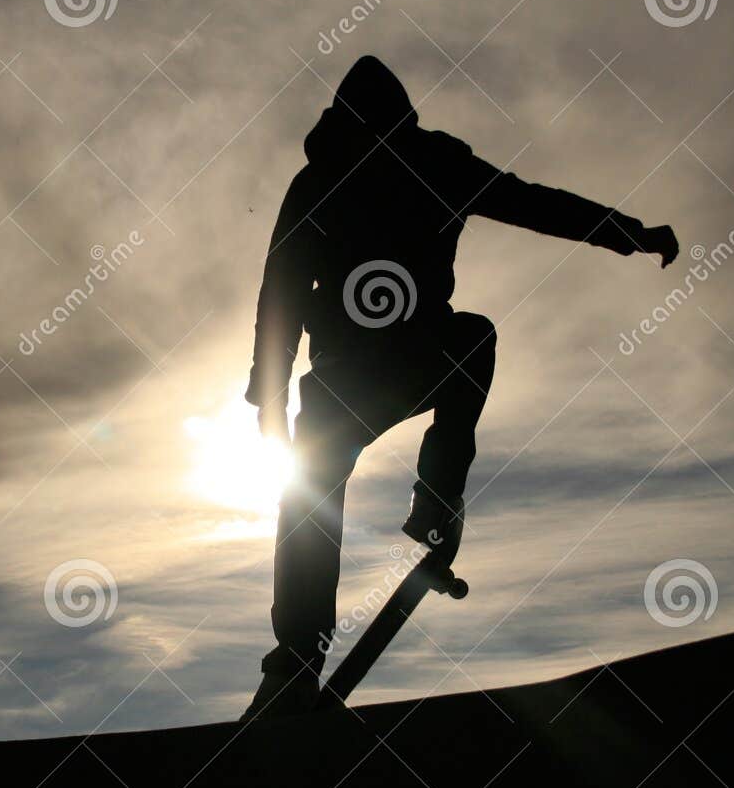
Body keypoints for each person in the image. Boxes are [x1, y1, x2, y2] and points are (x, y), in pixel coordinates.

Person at [241, 55, 678, 721]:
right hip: (384, 367)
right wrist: (629, 234)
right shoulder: (398, 168)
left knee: (312, 493)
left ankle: (303, 651)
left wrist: (270, 394)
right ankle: (420, 519)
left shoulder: (339, 175)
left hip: (351, 379)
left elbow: (281, 293)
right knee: (467, 344)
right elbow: (531, 203)